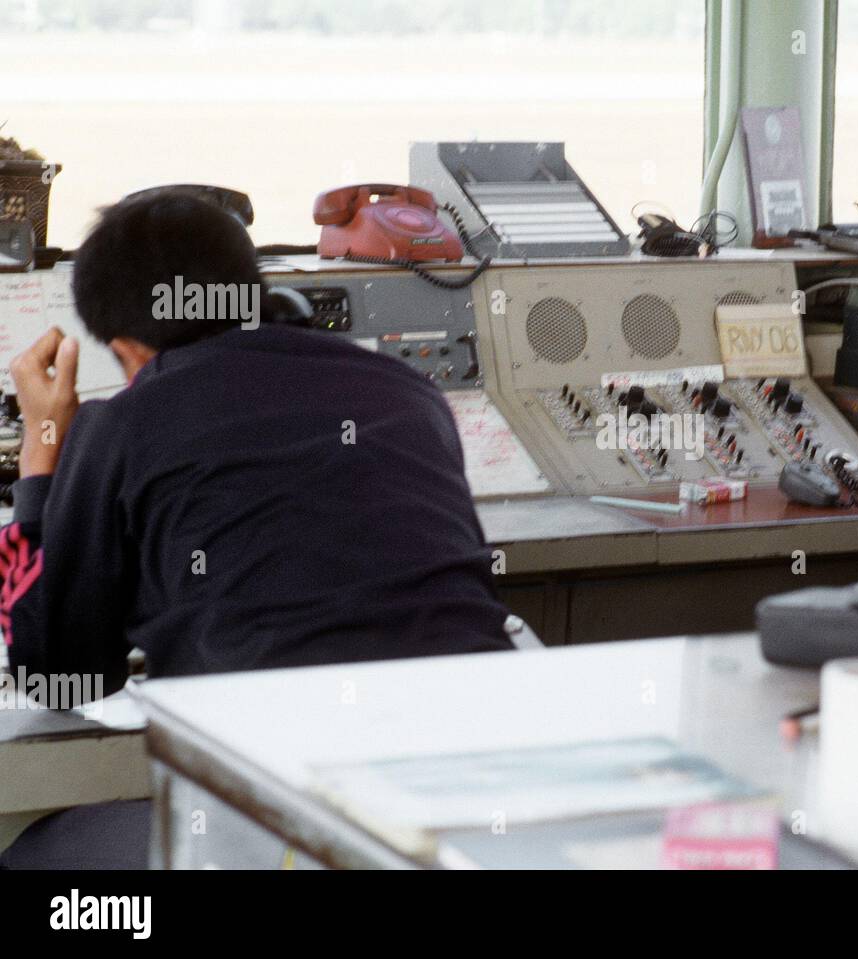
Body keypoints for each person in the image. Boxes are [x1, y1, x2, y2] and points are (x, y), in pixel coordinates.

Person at [0, 189, 511, 868]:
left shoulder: (123, 424)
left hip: (288, 822)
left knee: (38, 858)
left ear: (125, 348)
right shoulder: (408, 393)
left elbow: (57, 671)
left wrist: (41, 460)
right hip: (483, 795)